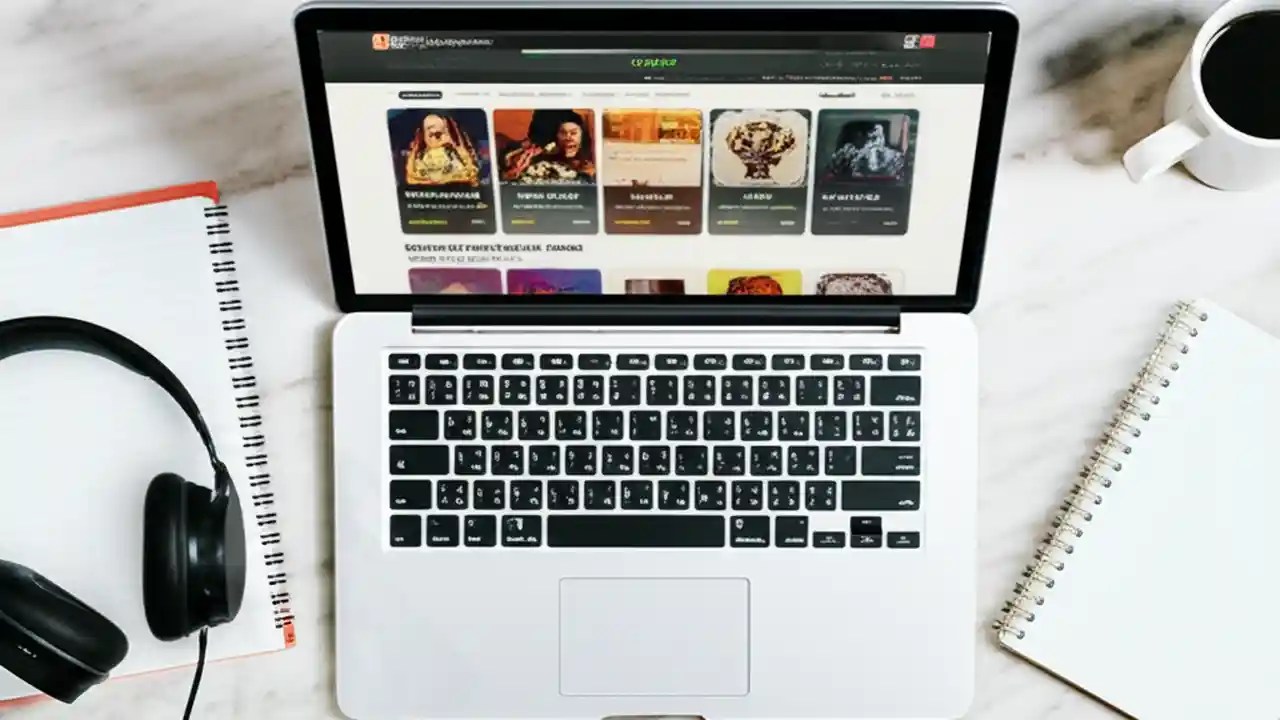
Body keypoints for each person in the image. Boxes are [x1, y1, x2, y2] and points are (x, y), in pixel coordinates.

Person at [501, 111, 595, 183]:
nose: (568, 137)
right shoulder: (533, 161)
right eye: (563, 133)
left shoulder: (590, 167)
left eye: (573, 133)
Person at [404, 113, 483, 186]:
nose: (436, 136)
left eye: (441, 133)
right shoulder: (418, 159)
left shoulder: (459, 154)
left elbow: (470, 175)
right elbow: (411, 179)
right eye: (431, 134)